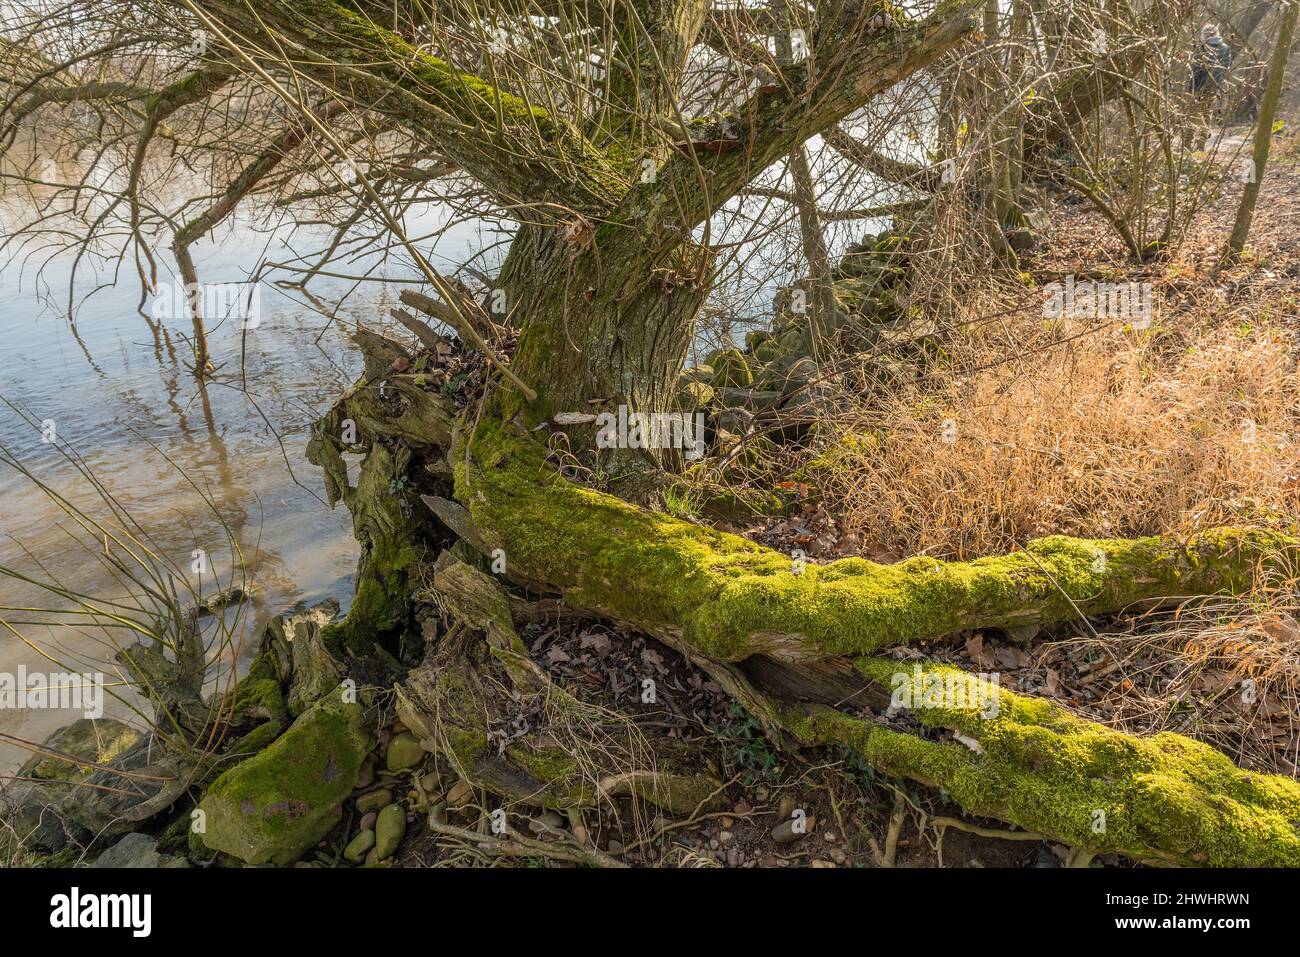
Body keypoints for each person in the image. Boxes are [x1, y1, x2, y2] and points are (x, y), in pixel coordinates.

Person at [1183, 23, 1233, 149]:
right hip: (1214, 88)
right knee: (1207, 115)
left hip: (1197, 88)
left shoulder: (1202, 49)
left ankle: (1187, 144)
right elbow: (1226, 68)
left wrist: (1191, 90)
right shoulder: (1225, 49)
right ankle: (1200, 145)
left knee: (1192, 117)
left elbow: (1195, 70)